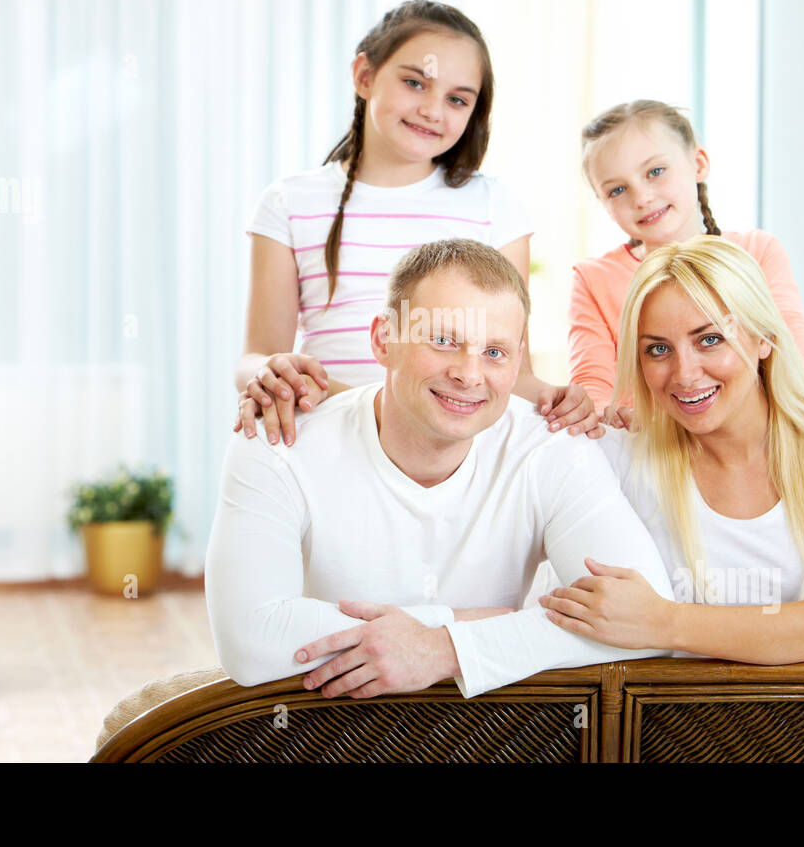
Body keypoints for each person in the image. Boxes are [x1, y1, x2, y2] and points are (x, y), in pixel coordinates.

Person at [206, 239, 672, 699]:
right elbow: (251, 640)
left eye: (494, 352)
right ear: (383, 339)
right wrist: (459, 623)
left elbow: (643, 621)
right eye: (444, 341)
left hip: (497, 728)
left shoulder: (552, 446)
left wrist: (445, 649)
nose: (469, 375)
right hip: (325, 722)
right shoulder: (277, 439)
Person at [234, 0, 598, 448]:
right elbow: (258, 355)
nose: (431, 109)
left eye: (457, 99)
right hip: (330, 438)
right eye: (414, 83)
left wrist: (556, 398)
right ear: (364, 76)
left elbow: (515, 373)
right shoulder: (289, 203)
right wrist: (270, 371)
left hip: (454, 453)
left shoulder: (494, 207)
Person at [539, 235, 804, 662]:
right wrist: (549, 401)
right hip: (665, 708)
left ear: (764, 338)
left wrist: (663, 622)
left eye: (709, 340)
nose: (685, 374)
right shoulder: (616, 458)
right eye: (659, 349)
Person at [570, 100, 804, 426]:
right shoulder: (593, 279)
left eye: (655, 172)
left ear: (698, 164)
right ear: (602, 202)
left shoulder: (757, 251)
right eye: (617, 190)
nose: (641, 198)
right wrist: (607, 417)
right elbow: (592, 385)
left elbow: (794, 344)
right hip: (649, 446)